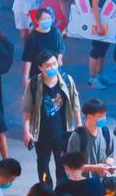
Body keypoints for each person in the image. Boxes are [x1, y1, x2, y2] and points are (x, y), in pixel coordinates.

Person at [23, 52, 80, 185]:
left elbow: (75, 103)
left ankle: (62, 190)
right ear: (40, 67)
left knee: (63, 165)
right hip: (42, 134)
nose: (53, 67)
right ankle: (46, 190)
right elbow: (27, 110)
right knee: (43, 165)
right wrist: (27, 131)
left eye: (54, 64)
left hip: (63, 133)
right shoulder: (33, 84)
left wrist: (79, 124)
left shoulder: (66, 80)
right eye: (48, 65)